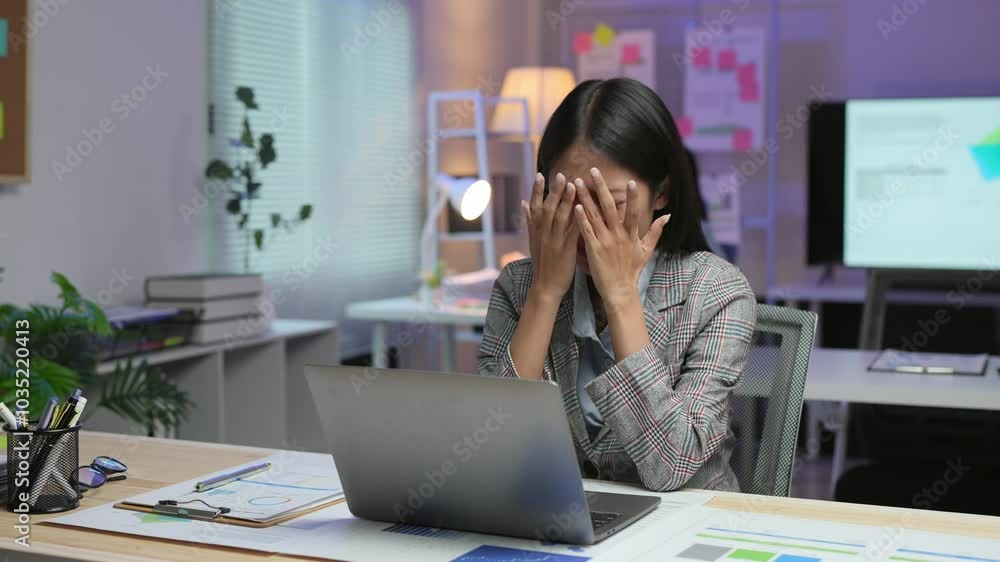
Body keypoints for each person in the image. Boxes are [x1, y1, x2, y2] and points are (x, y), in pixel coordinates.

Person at [477, 78, 757, 492]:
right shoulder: (518, 287)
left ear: (661, 193)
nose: (585, 223)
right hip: (560, 517)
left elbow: (671, 466)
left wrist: (621, 295)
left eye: (609, 204)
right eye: (568, 200)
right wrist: (545, 293)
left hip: (687, 520)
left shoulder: (716, 290)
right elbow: (491, 452)